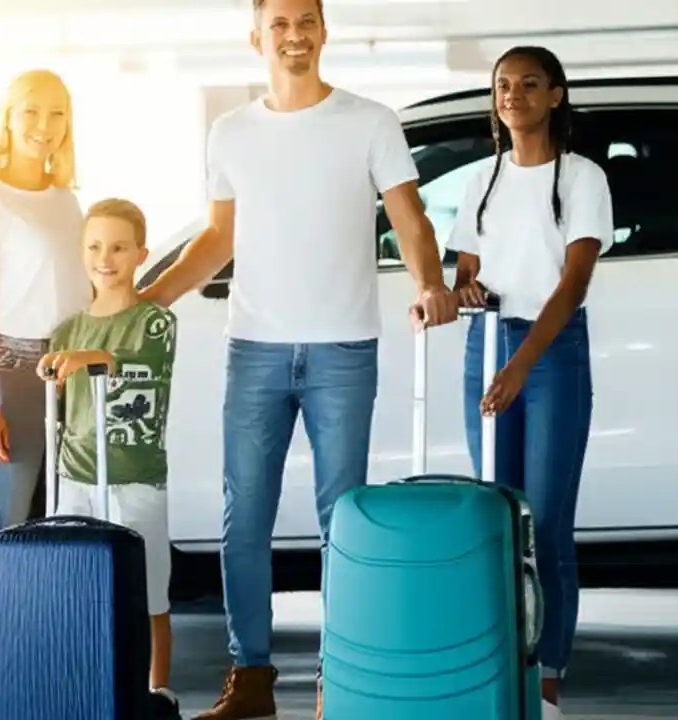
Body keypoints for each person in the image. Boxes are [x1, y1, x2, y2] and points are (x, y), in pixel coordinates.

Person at [139, 1, 458, 717]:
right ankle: (250, 677)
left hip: (343, 348)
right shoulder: (231, 133)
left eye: (305, 20)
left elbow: (410, 217)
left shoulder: (370, 122)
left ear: (323, 30)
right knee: (241, 519)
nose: (294, 34)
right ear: (258, 37)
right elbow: (218, 239)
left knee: (340, 520)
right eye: (279, 24)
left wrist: (430, 283)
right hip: (253, 350)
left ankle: (338, 676)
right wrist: (145, 300)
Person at [446, 45, 613, 711]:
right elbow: (467, 269)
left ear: (555, 96)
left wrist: (521, 364)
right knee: (495, 520)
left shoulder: (582, 179)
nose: (513, 95)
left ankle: (547, 676)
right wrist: (465, 291)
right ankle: (501, 665)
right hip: (486, 348)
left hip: (550, 354)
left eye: (528, 84)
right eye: (503, 85)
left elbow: (572, 284)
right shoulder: (479, 181)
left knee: (545, 522)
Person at [0, 68, 91, 720]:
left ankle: (50, 668)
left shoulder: (67, 199)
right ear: (8, 118)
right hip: (13, 370)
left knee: (70, 525)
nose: (44, 126)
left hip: (72, 375)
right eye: (32, 113)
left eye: (57, 114)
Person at [36, 197, 182, 720]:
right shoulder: (68, 329)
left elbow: (141, 366)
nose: (107, 257)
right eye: (96, 246)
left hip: (134, 475)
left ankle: (157, 692)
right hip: (77, 470)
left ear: (141, 253)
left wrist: (92, 359)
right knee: (79, 585)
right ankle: (83, 686)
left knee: (148, 592)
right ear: (82, 252)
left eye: (119, 247)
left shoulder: (154, 321)